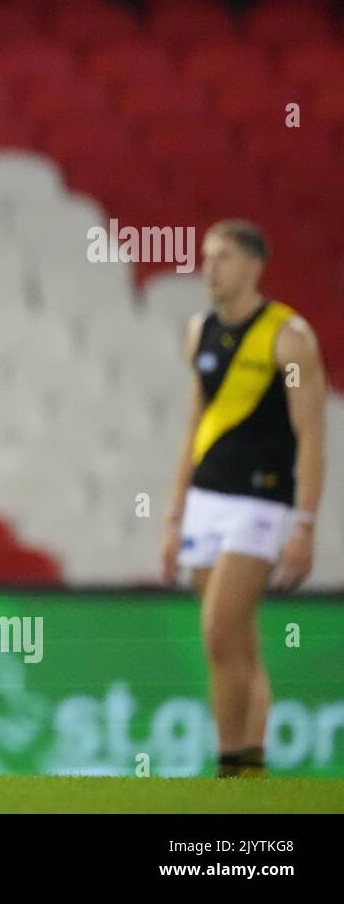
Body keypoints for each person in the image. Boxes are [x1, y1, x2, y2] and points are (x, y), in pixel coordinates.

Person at [161, 220, 327, 778]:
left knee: (217, 629)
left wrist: (305, 524)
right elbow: (194, 425)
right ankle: (250, 771)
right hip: (207, 498)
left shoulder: (289, 337)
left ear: (254, 265)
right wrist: (173, 514)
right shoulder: (198, 331)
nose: (209, 268)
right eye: (206, 257)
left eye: (223, 257)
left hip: (261, 504)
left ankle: (230, 764)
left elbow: (312, 437)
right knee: (235, 648)